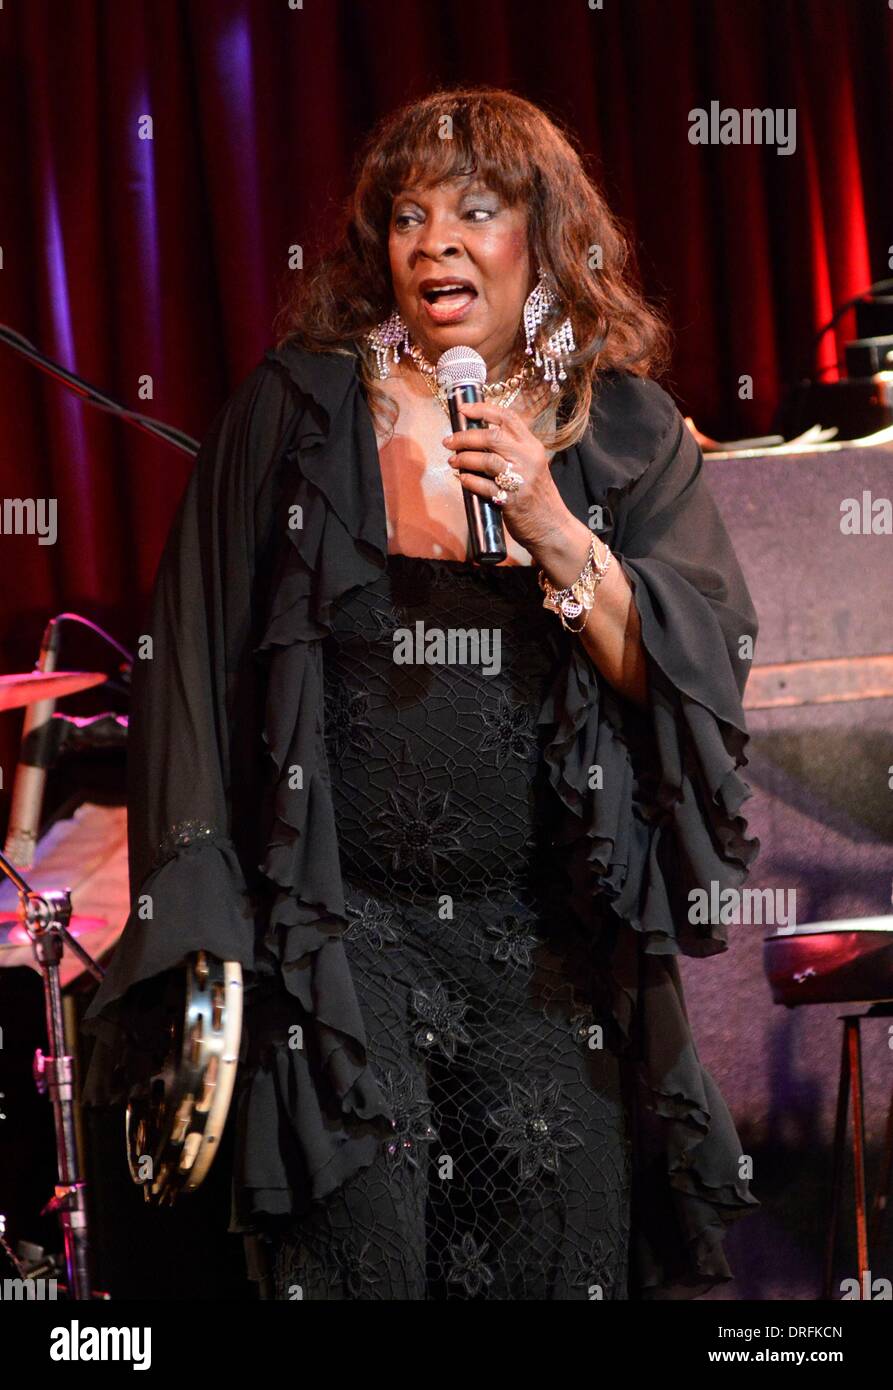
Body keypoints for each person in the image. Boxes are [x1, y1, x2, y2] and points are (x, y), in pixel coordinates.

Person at [81, 86, 760, 1301]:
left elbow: (692, 674)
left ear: (541, 242)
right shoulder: (293, 415)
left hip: (550, 966)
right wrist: (198, 924)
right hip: (344, 957)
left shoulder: (623, 435)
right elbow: (182, 662)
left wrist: (554, 529)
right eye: (407, 215)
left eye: (474, 212)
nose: (434, 242)